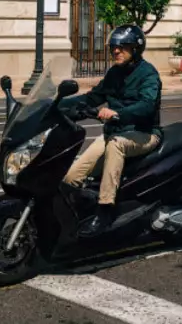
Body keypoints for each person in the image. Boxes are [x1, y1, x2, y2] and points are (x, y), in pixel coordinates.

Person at [62, 24, 162, 236]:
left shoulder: (148, 74)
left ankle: (105, 211)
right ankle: (76, 216)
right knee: (71, 177)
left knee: (116, 145)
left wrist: (117, 114)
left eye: (122, 47)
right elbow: (94, 96)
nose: (116, 51)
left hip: (144, 134)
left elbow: (147, 105)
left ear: (136, 48)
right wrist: (59, 105)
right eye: (114, 47)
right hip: (114, 133)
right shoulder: (114, 73)